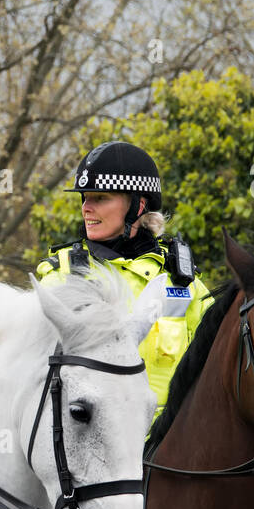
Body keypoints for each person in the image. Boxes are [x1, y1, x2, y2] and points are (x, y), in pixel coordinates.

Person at [36, 141, 210, 417]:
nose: (86, 208)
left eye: (100, 198)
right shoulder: (60, 277)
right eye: (85, 198)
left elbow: (217, 368)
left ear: (139, 205)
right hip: (92, 452)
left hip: (172, 450)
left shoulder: (183, 281)